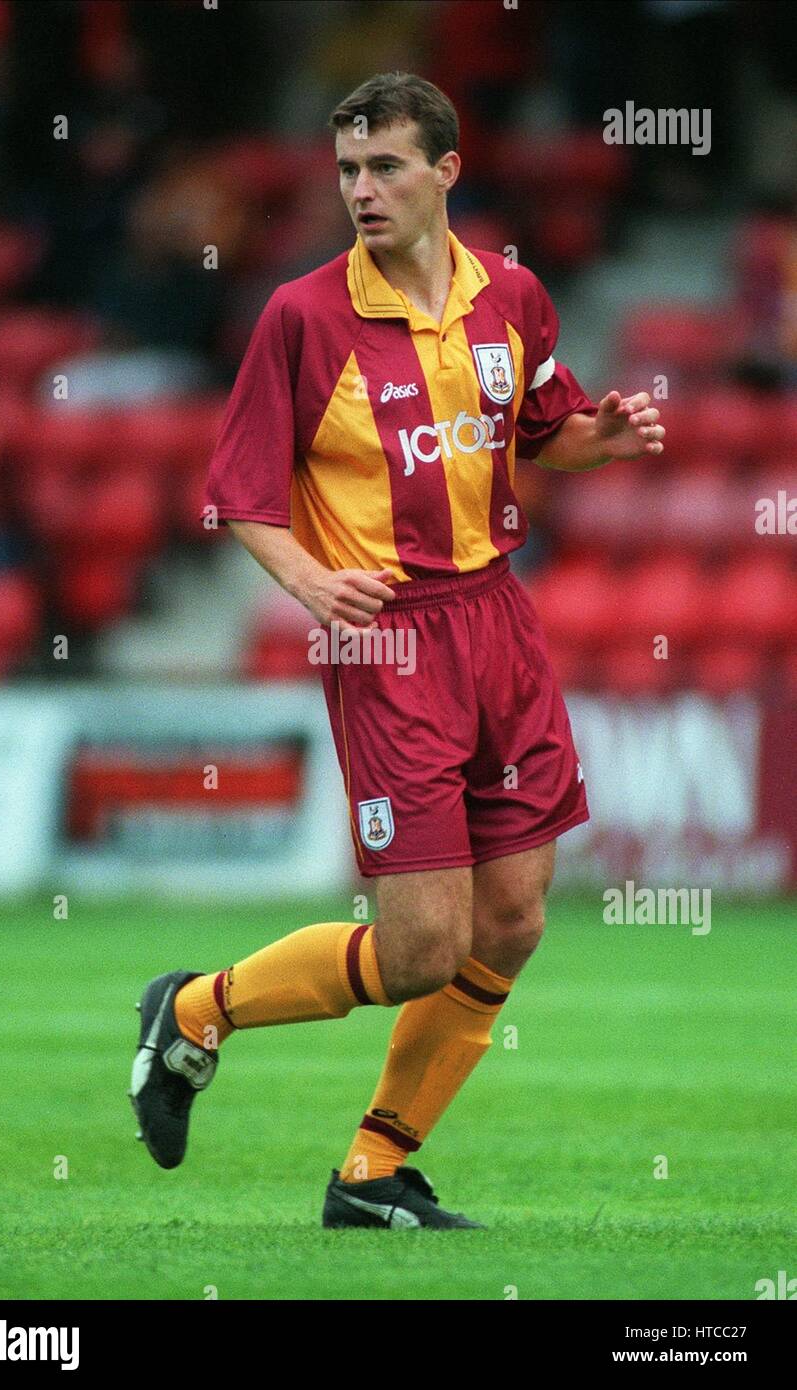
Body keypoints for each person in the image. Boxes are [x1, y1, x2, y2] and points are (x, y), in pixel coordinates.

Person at [129, 72, 665, 1230]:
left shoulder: (510, 297)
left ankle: (372, 1172)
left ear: (445, 172)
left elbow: (540, 430)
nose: (360, 190)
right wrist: (312, 583)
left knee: (514, 914)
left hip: (497, 624)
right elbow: (239, 495)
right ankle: (194, 1012)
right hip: (390, 645)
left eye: (383, 166)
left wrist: (599, 441)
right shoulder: (300, 319)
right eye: (345, 170)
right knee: (423, 946)